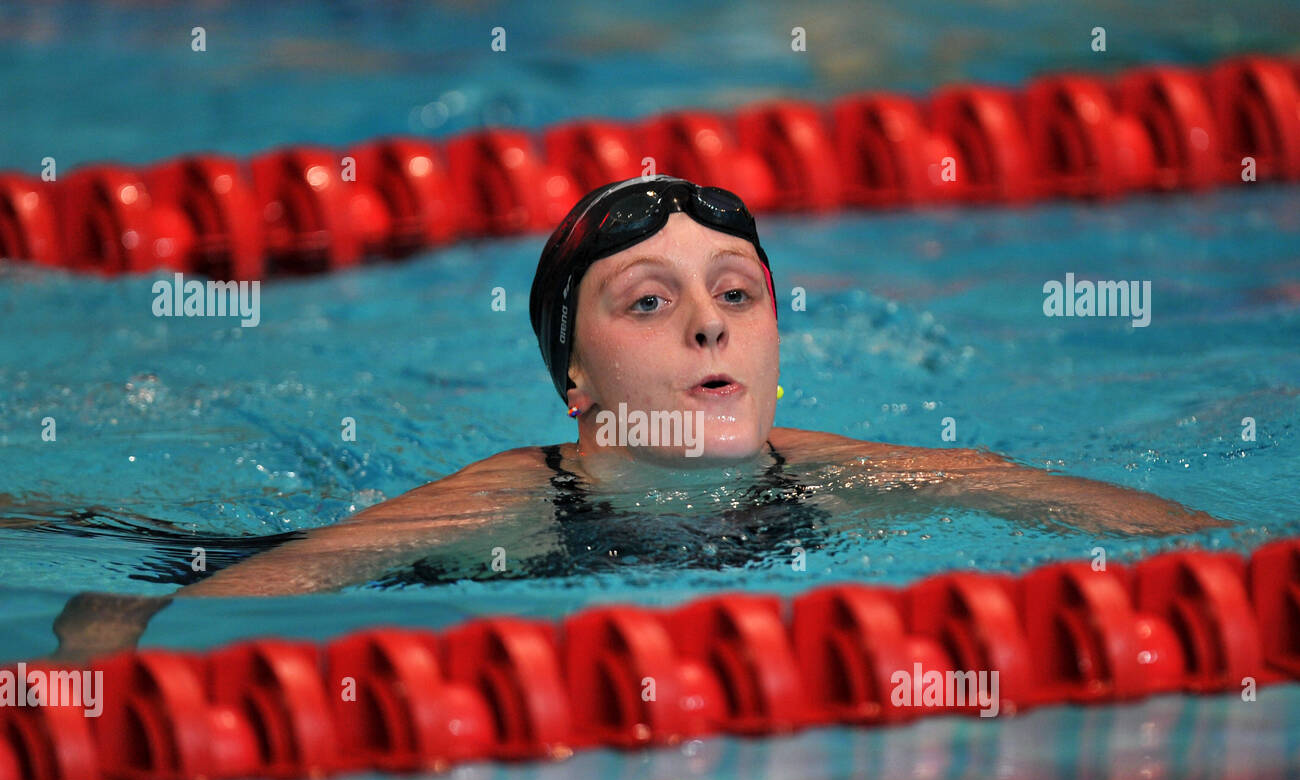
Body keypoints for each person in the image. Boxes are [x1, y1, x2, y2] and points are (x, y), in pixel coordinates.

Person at [51, 175, 1228, 658]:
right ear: (576, 385)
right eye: (650, 303)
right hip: (207, 536)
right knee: (98, 535)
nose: (709, 329)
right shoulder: (510, 500)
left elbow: (1177, 539)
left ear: (772, 343)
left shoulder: (858, 474)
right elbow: (188, 614)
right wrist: (102, 649)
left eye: (735, 295)